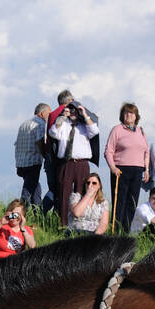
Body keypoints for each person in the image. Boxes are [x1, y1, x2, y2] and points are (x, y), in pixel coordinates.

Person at [51, 96, 99, 226]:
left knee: (82, 192)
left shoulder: (85, 126)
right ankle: (64, 224)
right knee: (64, 193)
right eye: (70, 110)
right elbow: (53, 133)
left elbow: (95, 131)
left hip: (82, 163)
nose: (72, 113)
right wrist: (62, 117)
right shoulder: (64, 125)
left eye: (74, 110)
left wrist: (84, 113)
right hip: (66, 163)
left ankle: (80, 222)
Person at [105, 102, 148, 233]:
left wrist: (147, 169)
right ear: (122, 115)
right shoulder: (117, 129)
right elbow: (108, 151)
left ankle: (126, 233)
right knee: (119, 203)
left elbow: (146, 151)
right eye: (126, 112)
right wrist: (112, 167)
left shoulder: (141, 131)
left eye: (131, 113)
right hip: (121, 170)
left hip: (138, 170)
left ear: (136, 116)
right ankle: (114, 233)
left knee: (132, 203)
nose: (129, 115)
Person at [15, 103, 50, 209]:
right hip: (33, 161)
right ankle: (20, 210)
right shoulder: (39, 123)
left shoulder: (24, 123)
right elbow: (40, 142)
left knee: (34, 186)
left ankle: (37, 209)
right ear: (42, 113)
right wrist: (46, 156)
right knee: (28, 189)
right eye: (49, 114)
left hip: (21, 162)